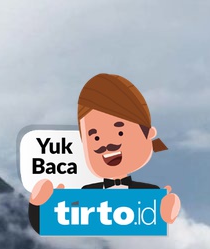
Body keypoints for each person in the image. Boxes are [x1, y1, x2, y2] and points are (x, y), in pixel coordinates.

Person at [28, 73, 180, 233]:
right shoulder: (86, 194)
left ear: (149, 134)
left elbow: (166, 232)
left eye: (120, 132)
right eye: (95, 137)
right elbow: (50, 224)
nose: (106, 145)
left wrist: (167, 213)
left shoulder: (150, 194)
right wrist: (40, 205)